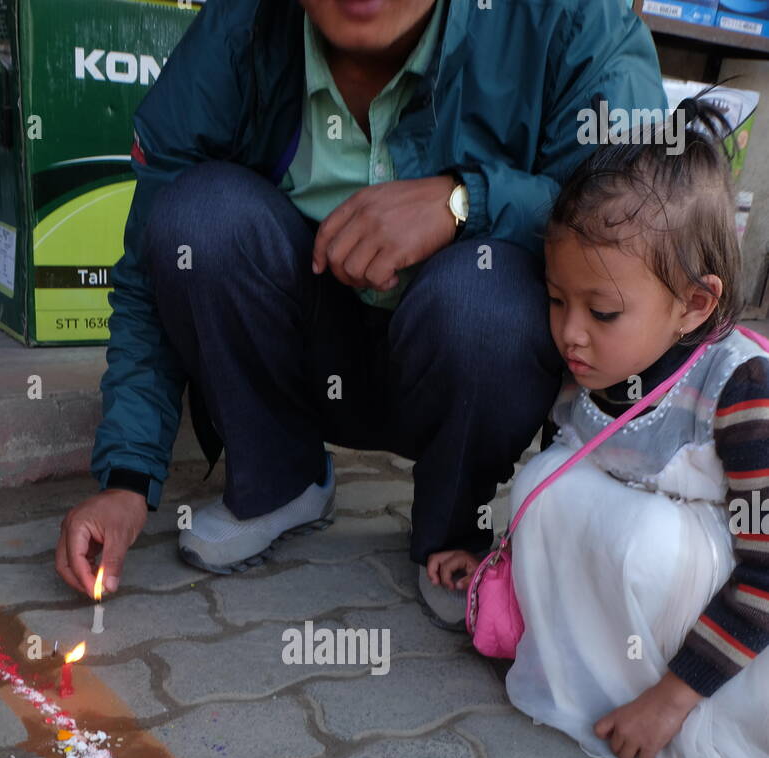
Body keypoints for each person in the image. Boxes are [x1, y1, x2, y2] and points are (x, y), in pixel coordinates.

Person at [55, 0, 665, 619]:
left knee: (487, 301)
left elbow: (639, 216)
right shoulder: (242, 26)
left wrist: (464, 201)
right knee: (195, 221)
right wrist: (128, 480)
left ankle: (455, 530)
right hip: (310, 357)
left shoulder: (571, 21)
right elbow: (145, 270)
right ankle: (280, 482)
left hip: (465, 352)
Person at [427, 100, 769, 758]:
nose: (570, 335)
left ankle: (658, 704)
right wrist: (495, 554)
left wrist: (672, 700)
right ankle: (596, 683)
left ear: (694, 305)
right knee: (542, 486)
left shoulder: (741, 389)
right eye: (556, 301)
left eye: (602, 312)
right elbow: (561, 467)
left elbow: (766, 570)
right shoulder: (603, 362)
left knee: (643, 539)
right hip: (653, 628)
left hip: (731, 648)